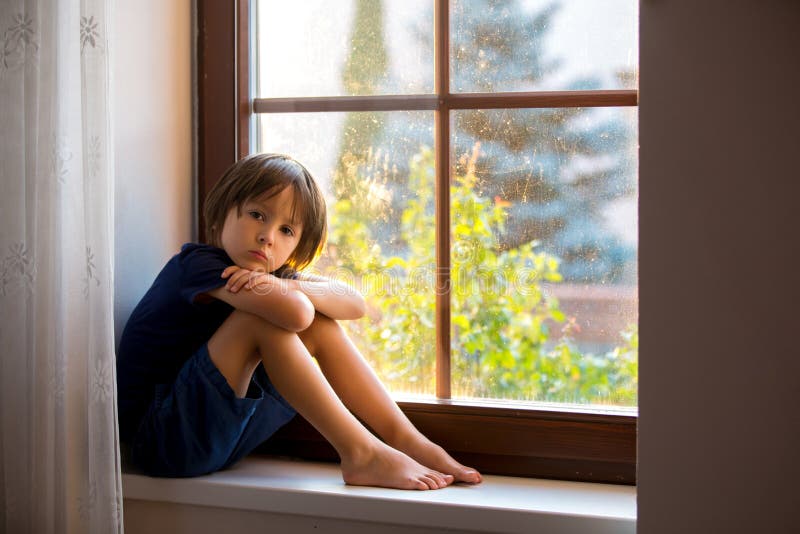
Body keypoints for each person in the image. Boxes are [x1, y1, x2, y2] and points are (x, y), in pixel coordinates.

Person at [117, 153, 482, 490]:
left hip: (221, 439)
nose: (267, 236)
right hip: (162, 441)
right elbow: (296, 312)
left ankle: (406, 439)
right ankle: (362, 453)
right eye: (257, 215)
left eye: (286, 231)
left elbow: (355, 304)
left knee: (319, 325)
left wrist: (285, 282)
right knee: (262, 321)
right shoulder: (197, 265)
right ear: (223, 212)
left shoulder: (269, 278)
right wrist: (287, 289)